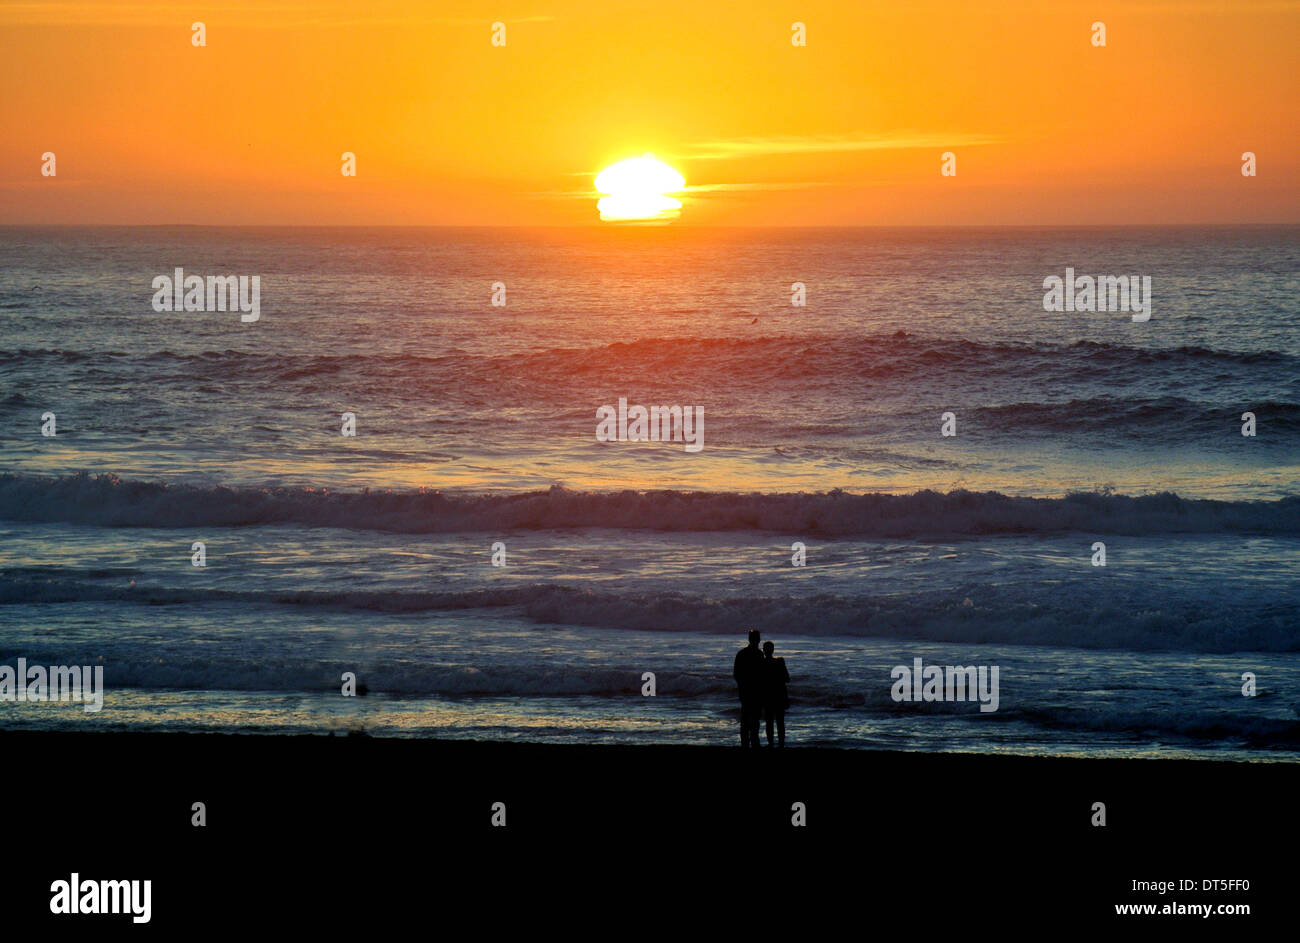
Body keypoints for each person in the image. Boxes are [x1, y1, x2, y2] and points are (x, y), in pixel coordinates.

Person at [733, 629, 765, 748]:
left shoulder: (742, 654)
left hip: (747, 691)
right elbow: (762, 675)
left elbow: (736, 674)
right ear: (758, 639)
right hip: (754, 691)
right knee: (753, 720)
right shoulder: (758, 654)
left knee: (747, 720)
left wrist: (742, 686)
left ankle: (746, 743)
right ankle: (753, 743)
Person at [761, 640, 790, 748]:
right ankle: (781, 744)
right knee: (780, 722)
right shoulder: (779, 662)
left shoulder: (761, 664)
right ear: (773, 650)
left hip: (767, 696)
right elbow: (787, 679)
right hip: (779, 696)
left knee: (769, 722)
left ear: (764, 651)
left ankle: (771, 744)